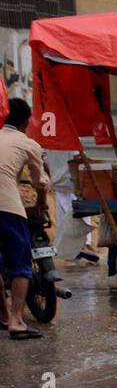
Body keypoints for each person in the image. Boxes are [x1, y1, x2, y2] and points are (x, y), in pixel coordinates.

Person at [0, 98, 49, 340]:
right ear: (27, 121)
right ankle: (17, 321)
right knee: (21, 264)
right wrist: (42, 200)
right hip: (7, 206)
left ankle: (3, 315)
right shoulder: (28, 143)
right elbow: (41, 182)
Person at [43, 148, 99, 265]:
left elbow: (44, 161)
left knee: (63, 217)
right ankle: (83, 245)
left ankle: (69, 248)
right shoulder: (71, 138)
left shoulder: (49, 140)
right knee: (80, 215)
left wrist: (53, 175)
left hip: (58, 182)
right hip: (73, 182)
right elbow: (77, 160)